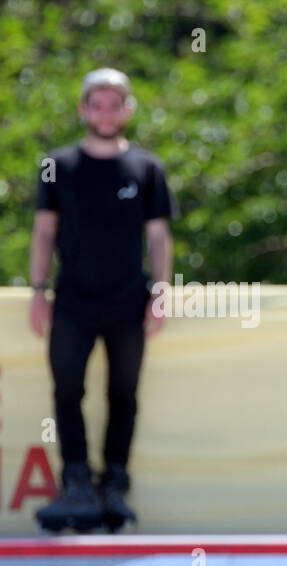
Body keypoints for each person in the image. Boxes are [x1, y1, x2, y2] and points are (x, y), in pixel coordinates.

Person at [29, 68, 175, 532]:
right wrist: (37, 291)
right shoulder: (58, 165)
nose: (107, 113)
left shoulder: (147, 169)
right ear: (83, 109)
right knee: (68, 391)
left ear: (127, 110)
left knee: (123, 394)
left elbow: (159, 236)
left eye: (116, 104)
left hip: (128, 300)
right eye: (98, 104)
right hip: (72, 299)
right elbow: (44, 231)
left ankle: (114, 485)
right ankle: (75, 483)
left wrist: (162, 289)